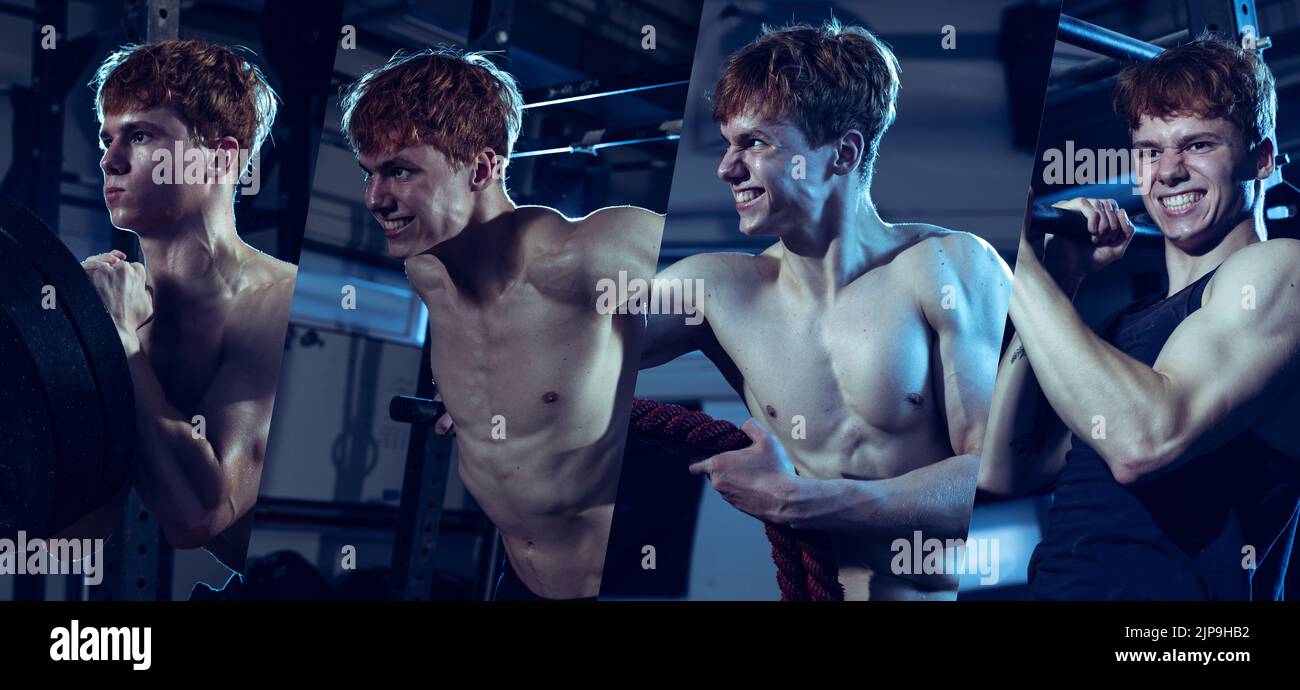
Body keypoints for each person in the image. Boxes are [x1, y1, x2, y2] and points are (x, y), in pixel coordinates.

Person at [640, 20, 1011, 600]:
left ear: (843, 152)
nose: (726, 168)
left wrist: (801, 501)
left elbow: (989, 471)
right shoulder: (718, 290)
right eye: (727, 143)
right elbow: (577, 346)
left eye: (756, 143)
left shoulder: (950, 267)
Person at [979, 37, 1300, 599]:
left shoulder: (1280, 272)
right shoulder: (1124, 329)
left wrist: (1018, 261)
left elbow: (1142, 442)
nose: (1169, 171)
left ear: (1262, 157)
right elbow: (1007, 468)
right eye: (1150, 150)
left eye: (1198, 145)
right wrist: (1058, 278)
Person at [340, 48, 661, 600]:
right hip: (517, 582)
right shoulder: (428, 272)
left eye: (399, 170)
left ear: (483, 169)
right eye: (368, 173)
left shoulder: (587, 258)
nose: (374, 198)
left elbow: (735, 298)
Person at [74, 39, 293, 570]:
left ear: (221, 158)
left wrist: (119, 343)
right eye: (106, 138)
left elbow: (199, 514)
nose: (110, 159)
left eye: (141, 134)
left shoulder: (275, 302)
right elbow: (87, 522)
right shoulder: (124, 306)